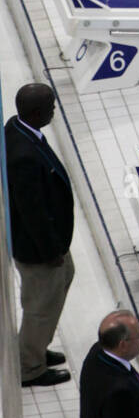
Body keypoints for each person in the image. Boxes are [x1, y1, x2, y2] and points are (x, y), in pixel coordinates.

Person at [4, 83, 74, 387]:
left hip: (50, 239)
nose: (54, 110)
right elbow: (31, 213)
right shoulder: (23, 157)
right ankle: (29, 367)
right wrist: (50, 251)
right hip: (38, 248)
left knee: (64, 279)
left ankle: (35, 348)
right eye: (51, 106)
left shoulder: (16, 127)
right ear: (36, 113)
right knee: (40, 308)